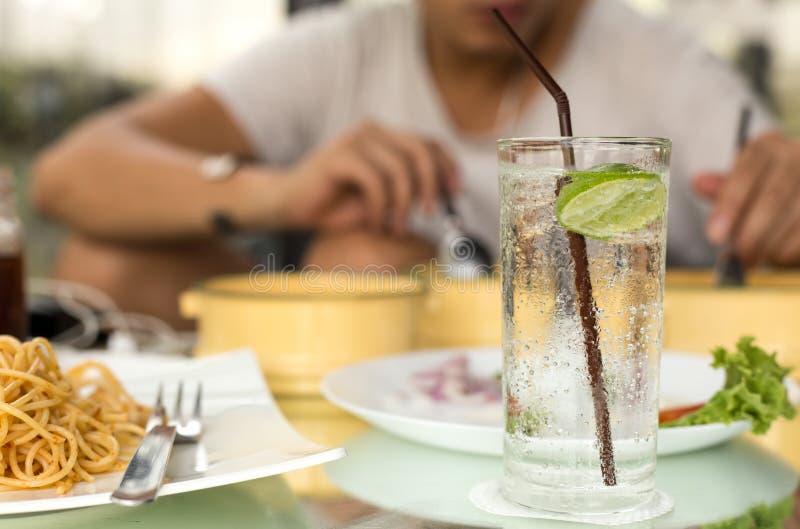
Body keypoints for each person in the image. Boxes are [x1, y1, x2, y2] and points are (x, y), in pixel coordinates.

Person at [32, 0, 800, 328]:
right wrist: (284, 193)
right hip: (369, 400)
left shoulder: (654, 61)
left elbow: (775, 194)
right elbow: (68, 172)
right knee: (111, 256)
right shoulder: (347, 46)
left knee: (363, 254)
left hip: (592, 405)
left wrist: (783, 197)